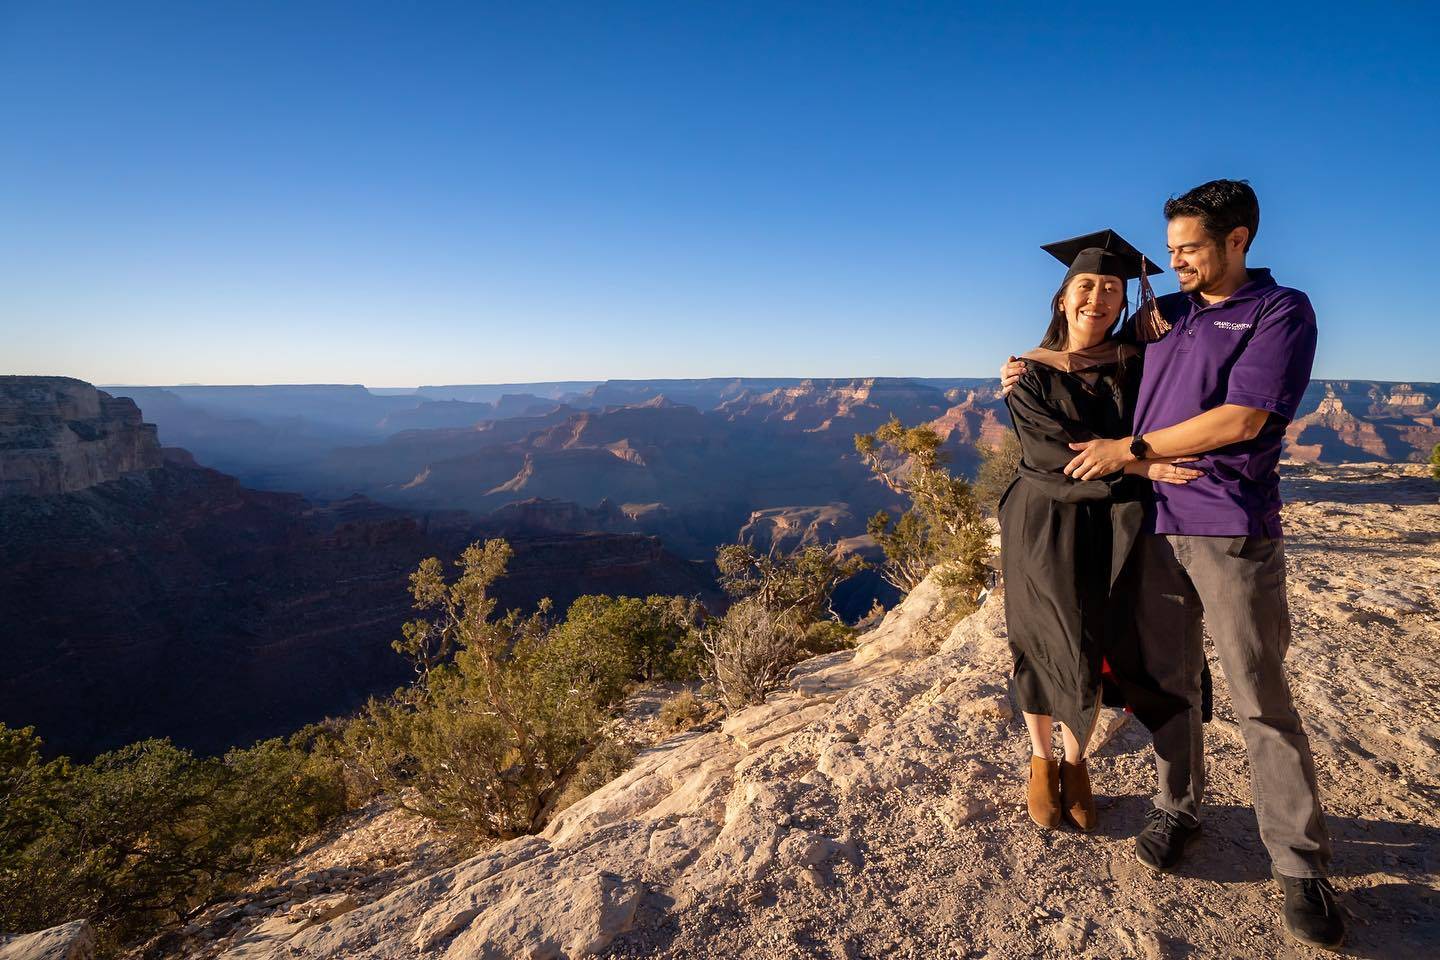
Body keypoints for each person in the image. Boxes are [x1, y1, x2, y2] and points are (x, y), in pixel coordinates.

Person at [1000, 180, 1344, 950]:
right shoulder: (1169, 315)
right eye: (1174, 249)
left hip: (1228, 527)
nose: (1178, 261)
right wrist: (1025, 368)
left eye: (1191, 248)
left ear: (1239, 240)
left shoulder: (1280, 310)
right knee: (1169, 682)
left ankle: (1298, 864)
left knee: (1259, 693)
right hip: (1150, 528)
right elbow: (1091, 365)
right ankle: (1178, 806)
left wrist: (1131, 452)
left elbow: (1244, 418)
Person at [999, 229, 1201, 833]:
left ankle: (1077, 761)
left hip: (1116, 521)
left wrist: (1131, 458)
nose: (1098, 297)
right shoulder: (1028, 373)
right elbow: (1049, 455)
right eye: (1085, 286)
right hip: (1044, 519)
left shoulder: (1137, 363)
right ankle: (1041, 762)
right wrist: (1141, 464)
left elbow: (1172, 406)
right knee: (1042, 639)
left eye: (1112, 288)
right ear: (1062, 298)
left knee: (1094, 638)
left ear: (1123, 302)